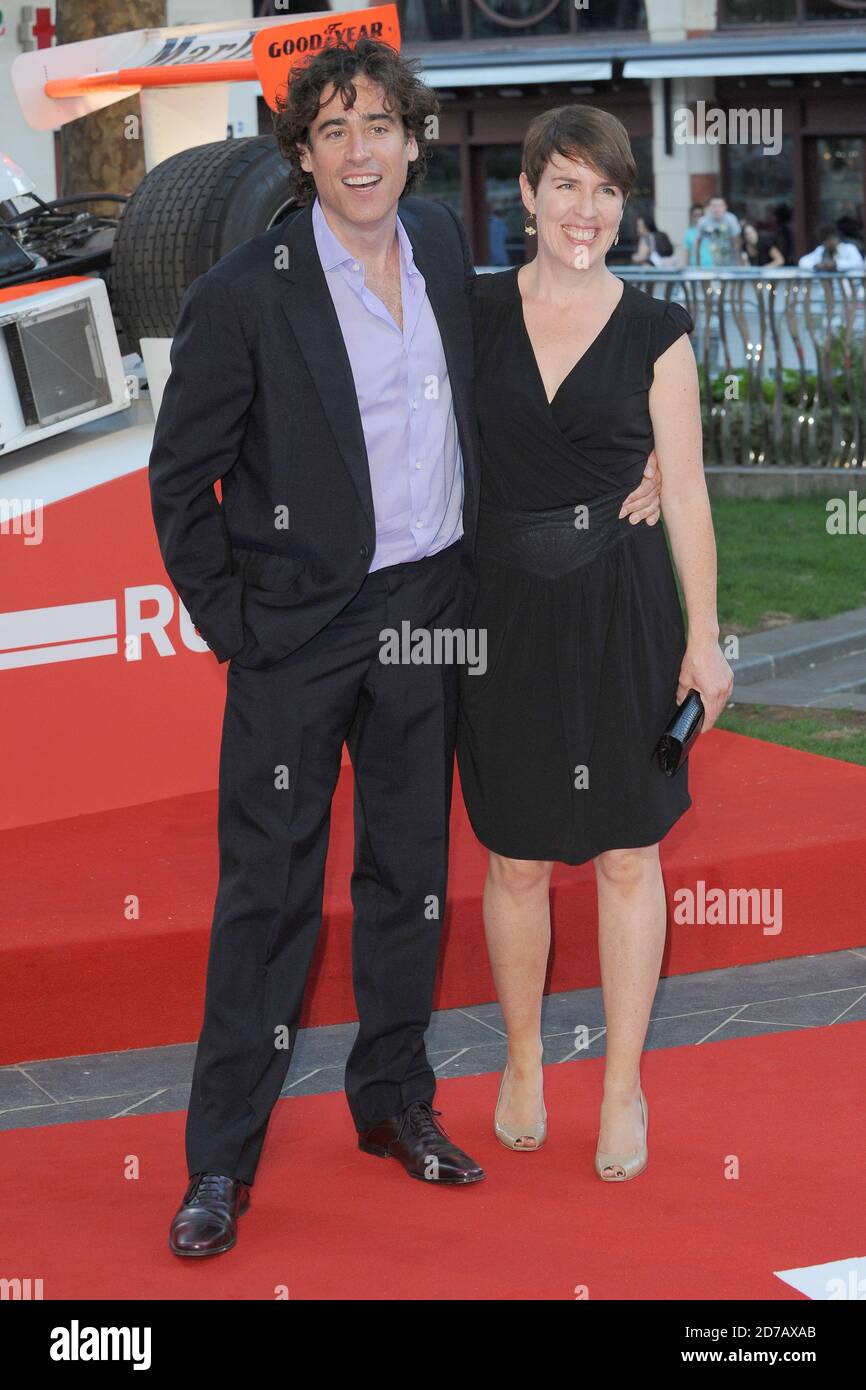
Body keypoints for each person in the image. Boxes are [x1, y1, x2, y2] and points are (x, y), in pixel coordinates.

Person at [148, 41, 663, 1256]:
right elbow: (181, 484)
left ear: (413, 138)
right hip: (296, 633)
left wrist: (633, 463)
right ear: (302, 153)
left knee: (408, 880)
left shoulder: (438, 246)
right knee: (268, 898)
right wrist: (241, 631)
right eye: (334, 131)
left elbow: (530, 373)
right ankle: (220, 1163)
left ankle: (393, 1104)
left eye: (379, 123)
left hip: (431, 613)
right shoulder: (242, 292)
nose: (361, 149)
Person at [455, 105, 733, 1179]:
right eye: (563, 185)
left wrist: (702, 641)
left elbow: (691, 494)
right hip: (502, 616)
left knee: (628, 851)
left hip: (621, 614)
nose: (585, 209)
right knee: (514, 857)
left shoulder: (657, 331)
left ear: (625, 205)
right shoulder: (470, 314)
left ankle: (621, 1084)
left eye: (605, 190)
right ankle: (522, 1059)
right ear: (524, 196)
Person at [695, 195, 742, 267]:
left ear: (725, 207)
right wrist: (698, 265)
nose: (717, 209)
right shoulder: (703, 222)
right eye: (714, 206)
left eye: (719, 206)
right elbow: (698, 243)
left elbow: (737, 243)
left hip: (730, 264)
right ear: (709, 207)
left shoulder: (731, 220)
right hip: (709, 265)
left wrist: (739, 264)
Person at [798, 223, 865, 272]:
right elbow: (803, 262)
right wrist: (816, 265)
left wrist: (836, 264)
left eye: (831, 239)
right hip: (827, 288)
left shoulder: (849, 248)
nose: (830, 243)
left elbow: (858, 263)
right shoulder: (821, 250)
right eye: (826, 240)